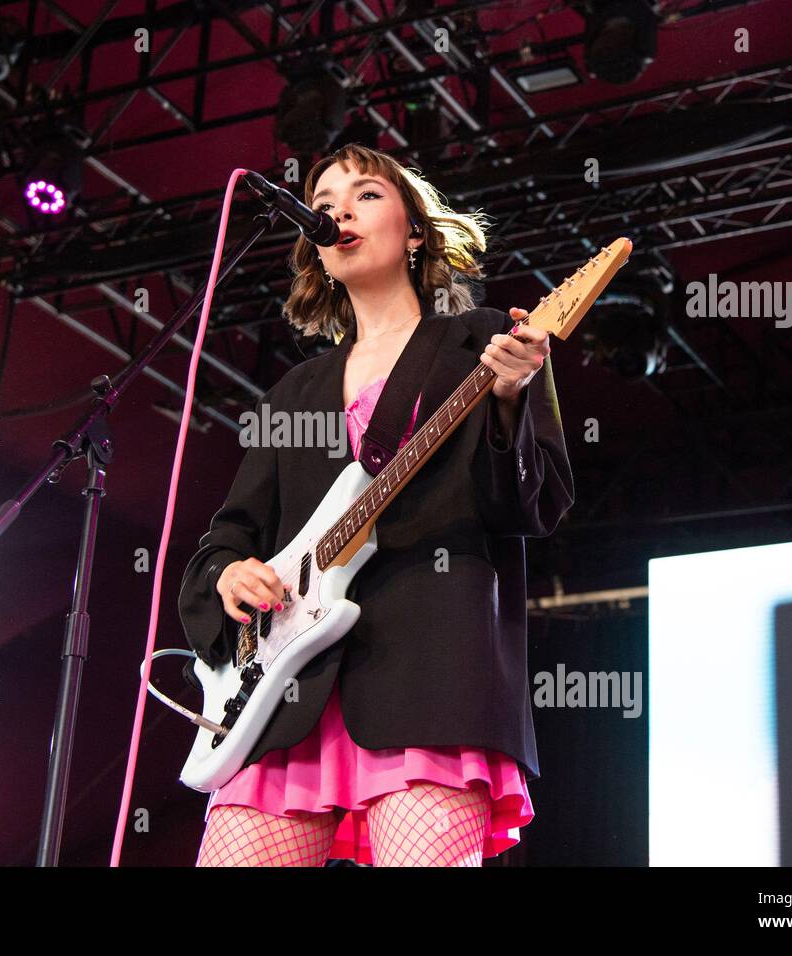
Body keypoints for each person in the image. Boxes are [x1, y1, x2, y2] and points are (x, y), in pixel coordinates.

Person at [177, 143, 574, 866]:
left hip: (429, 674)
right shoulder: (293, 393)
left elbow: (537, 502)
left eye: (363, 195)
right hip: (288, 695)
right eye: (323, 205)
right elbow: (227, 537)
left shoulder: (484, 342)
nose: (338, 212)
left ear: (415, 230)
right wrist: (230, 576)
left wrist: (513, 402)